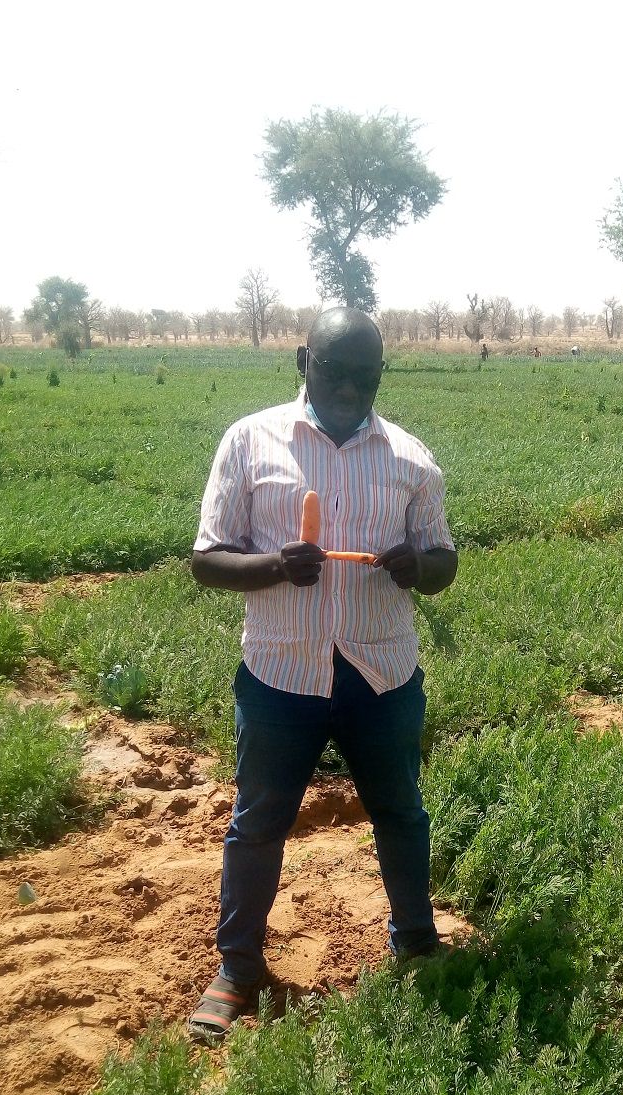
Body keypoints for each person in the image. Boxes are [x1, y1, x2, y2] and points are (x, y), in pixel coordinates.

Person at [187, 307, 458, 1044]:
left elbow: (444, 560)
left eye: (366, 376)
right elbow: (207, 560)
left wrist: (418, 566)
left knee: (400, 812)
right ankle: (238, 969)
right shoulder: (250, 441)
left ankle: (416, 943)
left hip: (380, 674)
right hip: (281, 675)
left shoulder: (409, 459)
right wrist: (276, 566)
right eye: (335, 372)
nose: (349, 389)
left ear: (381, 375)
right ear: (304, 362)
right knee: (258, 823)